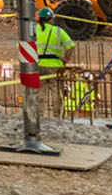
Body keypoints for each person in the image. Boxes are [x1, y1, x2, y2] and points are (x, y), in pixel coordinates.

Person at [4, 12, 73, 155]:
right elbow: (70, 46)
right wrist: (65, 61)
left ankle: (39, 115)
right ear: (51, 19)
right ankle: (57, 116)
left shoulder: (33, 30)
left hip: (37, 64)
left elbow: (22, 45)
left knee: (39, 91)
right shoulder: (58, 31)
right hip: (54, 64)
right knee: (55, 91)